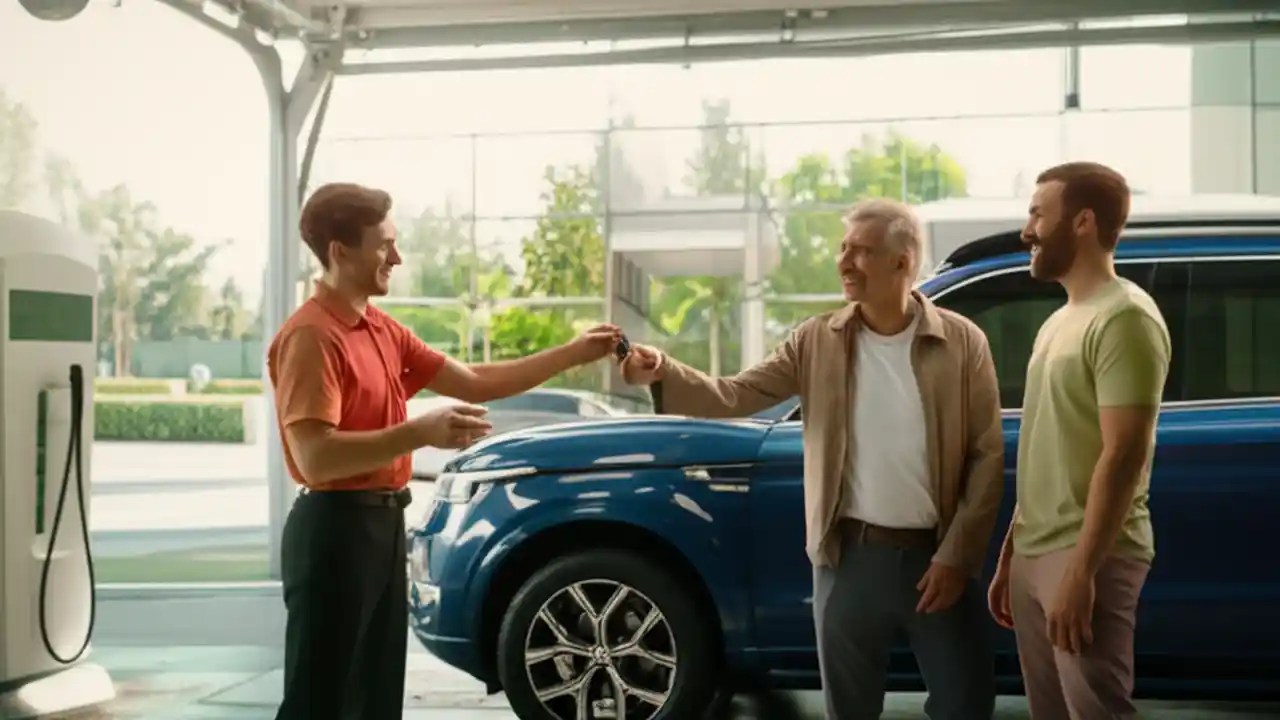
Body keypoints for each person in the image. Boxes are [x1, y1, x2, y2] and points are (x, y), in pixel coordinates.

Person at [619, 198, 1004, 720]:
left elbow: (986, 455)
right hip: (847, 560)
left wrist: (958, 556)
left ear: (902, 260)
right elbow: (733, 395)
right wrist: (663, 370)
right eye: (843, 249)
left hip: (936, 558)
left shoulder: (962, 343)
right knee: (849, 709)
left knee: (964, 702)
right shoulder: (817, 340)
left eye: (862, 251)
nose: (845, 262)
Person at [267, 182, 621, 720]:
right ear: (340, 252)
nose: (397, 256)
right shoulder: (312, 338)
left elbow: (474, 380)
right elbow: (316, 457)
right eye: (384, 244)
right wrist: (419, 432)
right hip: (334, 535)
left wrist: (573, 353)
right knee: (322, 702)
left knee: (374, 700)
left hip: (381, 527)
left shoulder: (380, 329)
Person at [986, 162, 1170, 720]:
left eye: (1039, 214)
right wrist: (1012, 553)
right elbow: (1051, 444)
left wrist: (1081, 572)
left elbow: (1123, 453)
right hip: (1037, 551)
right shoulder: (1057, 322)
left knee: (1097, 711)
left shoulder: (1125, 318)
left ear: (1083, 222)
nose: (1027, 230)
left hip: (1089, 554)